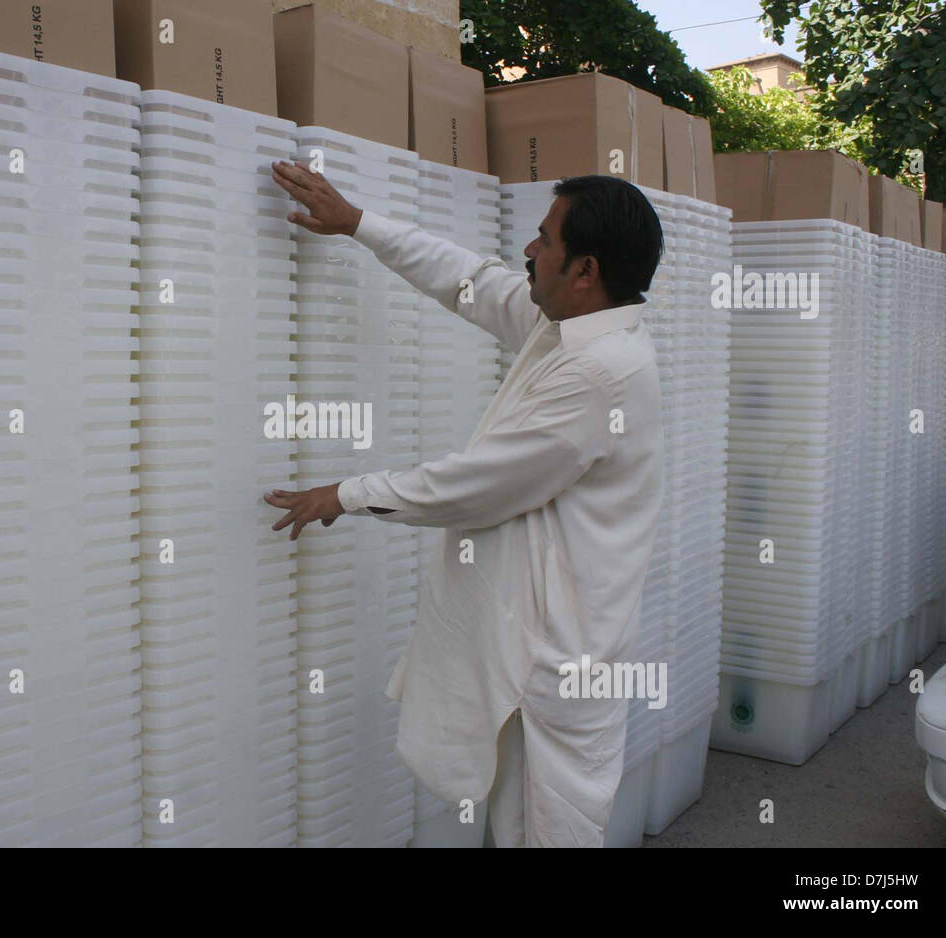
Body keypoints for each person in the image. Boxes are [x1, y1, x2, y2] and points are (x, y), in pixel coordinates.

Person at [265, 162, 665, 848]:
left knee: (549, 831)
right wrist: (360, 222)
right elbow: (467, 281)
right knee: (513, 822)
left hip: (557, 656)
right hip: (528, 636)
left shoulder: (601, 372)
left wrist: (346, 494)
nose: (528, 251)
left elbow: (482, 487)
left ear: (585, 270)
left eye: (544, 239)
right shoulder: (569, 326)